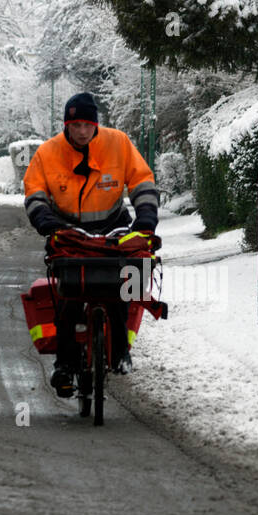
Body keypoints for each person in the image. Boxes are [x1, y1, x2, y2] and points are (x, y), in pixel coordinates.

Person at [23, 92, 160, 396]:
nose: (82, 131)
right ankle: (65, 364)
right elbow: (35, 193)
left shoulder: (119, 143)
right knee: (69, 296)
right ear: (66, 126)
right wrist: (47, 222)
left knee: (121, 286)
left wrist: (146, 217)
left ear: (96, 124)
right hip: (67, 229)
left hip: (114, 224)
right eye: (76, 125)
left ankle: (121, 351)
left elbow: (141, 181)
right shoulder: (47, 153)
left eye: (87, 124)